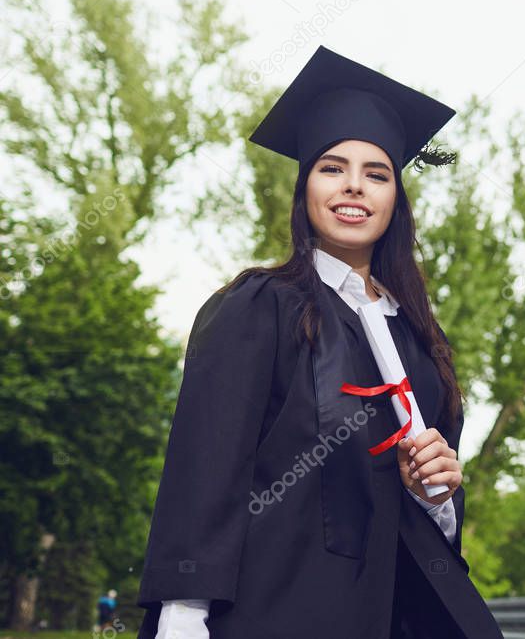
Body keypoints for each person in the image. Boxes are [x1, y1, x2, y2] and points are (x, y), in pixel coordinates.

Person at [135, 46, 502, 638]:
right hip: (272, 610)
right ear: (305, 185)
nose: (354, 187)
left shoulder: (421, 343)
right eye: (333, 168)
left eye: (376, 174)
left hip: (393, 613)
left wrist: (438, 494)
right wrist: (183, 615)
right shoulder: (261, 306)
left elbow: (433, 517)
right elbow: (206, 470)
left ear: (395, 199)